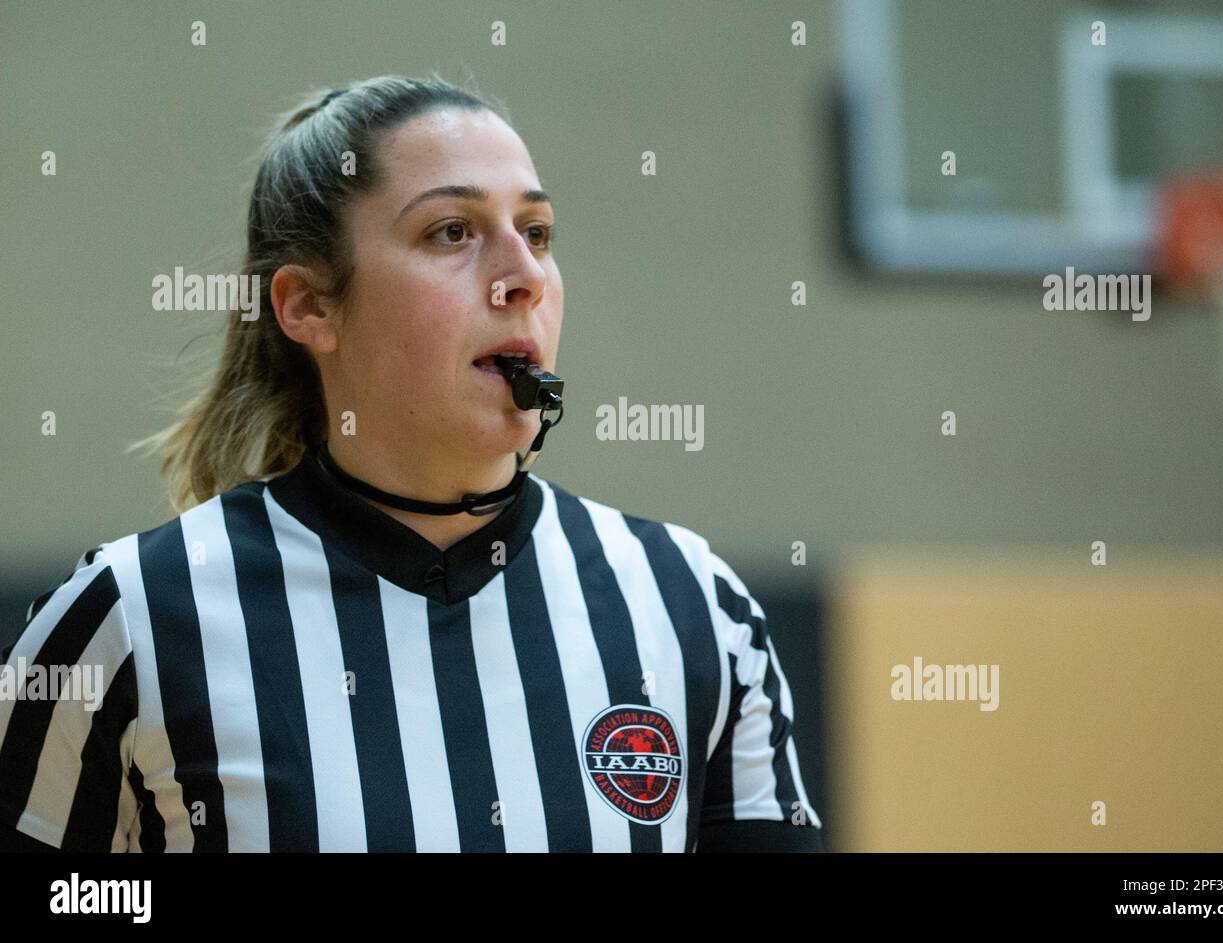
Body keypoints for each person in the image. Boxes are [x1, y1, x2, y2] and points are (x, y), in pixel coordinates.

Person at [0, 74, 823, 852]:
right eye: (452, 232)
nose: (523, 276)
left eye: (536, 233)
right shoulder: (126, 618)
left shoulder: (693, 605)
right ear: (309, 305)